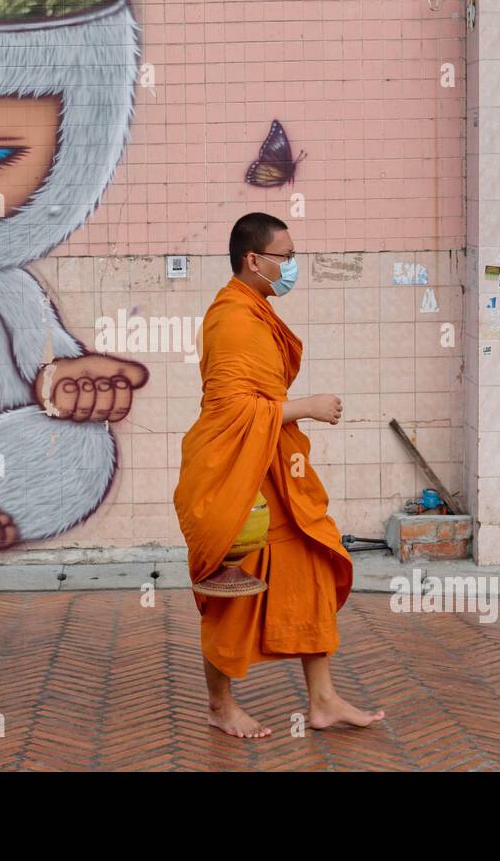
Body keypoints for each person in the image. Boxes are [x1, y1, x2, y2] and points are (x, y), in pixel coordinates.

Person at [173, 212, 387, 738]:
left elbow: (256, 401)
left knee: (312, 565)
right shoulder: (231, 318)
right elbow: (231, 411)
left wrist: (290, 409)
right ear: (254, 259)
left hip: (276, 473)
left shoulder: (256, 311)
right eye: (285, 256)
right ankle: (220, 705)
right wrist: (307, 405)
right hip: (240, 477)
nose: (293, 265)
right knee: (235, 588)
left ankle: (324, 700)